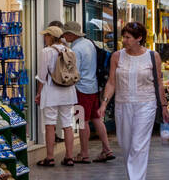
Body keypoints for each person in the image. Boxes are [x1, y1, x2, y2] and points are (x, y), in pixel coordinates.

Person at [99, 21, 169, 180]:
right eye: (124, 37)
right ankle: (134, 179)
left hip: (146, 103)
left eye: (128, 37)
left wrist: (164, 106)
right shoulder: (117, 56)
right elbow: (111, 82)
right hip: (123, 104)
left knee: (139, 143)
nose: (124, 40)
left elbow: (159, 82)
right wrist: (104, 104)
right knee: (125, 143)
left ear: (139, 38)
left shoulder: (153, 56)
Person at [61, 21, 114, 162]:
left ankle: (84, 154)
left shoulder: (76, 49)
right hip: (93, 87)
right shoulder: (89, 43)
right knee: (97, 118)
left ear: (71, 34)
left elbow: (73, 72)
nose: (64, 36)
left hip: (80, 89)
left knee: (81, 122)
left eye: (66, 33)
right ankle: (107, 149)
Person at [35, 25, 78, 167]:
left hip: (51, 91)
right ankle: (69, 157)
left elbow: (42, 75)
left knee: (50, 125)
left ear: (50, 37)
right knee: (68, 124)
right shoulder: (69, 50)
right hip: (68, 91)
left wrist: (39, 92)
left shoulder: (46, 51)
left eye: (46, 35)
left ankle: (50, 157)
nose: (44, 38)